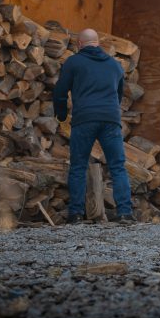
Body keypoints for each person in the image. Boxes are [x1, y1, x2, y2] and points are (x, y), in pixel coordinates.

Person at [53, 28, 135, 225]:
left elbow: (60, 91)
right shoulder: (115, 66)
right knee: (117, 166)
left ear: (79, 44)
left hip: (84, 119)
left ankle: (76, 214)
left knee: (78, 166)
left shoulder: (73, 62)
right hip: (111, 120)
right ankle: (125, 213)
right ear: (98, 43)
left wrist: (61, 114)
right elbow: (119, 95)